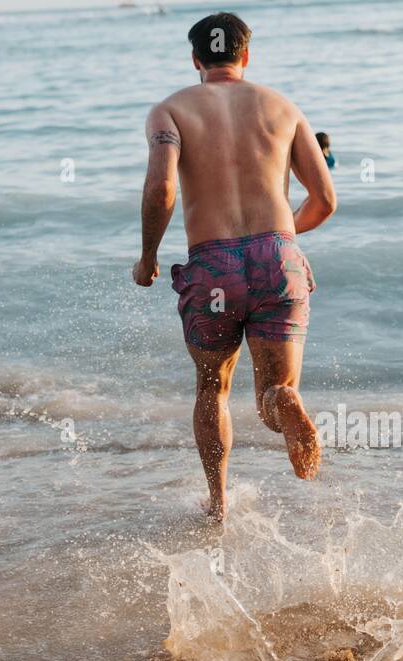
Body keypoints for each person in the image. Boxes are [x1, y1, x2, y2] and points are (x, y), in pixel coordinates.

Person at [132, 12, 337, 521]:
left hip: (213, 265)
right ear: (246, 56)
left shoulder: (170, 110)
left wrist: (149, 256)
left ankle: (219, 503)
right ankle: (284, 403)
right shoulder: (282, 107)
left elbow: (162, 188)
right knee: (273, 390)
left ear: (196, 59)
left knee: (211, 387)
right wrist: (282, 237)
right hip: (277, 258)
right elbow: (325, 199)